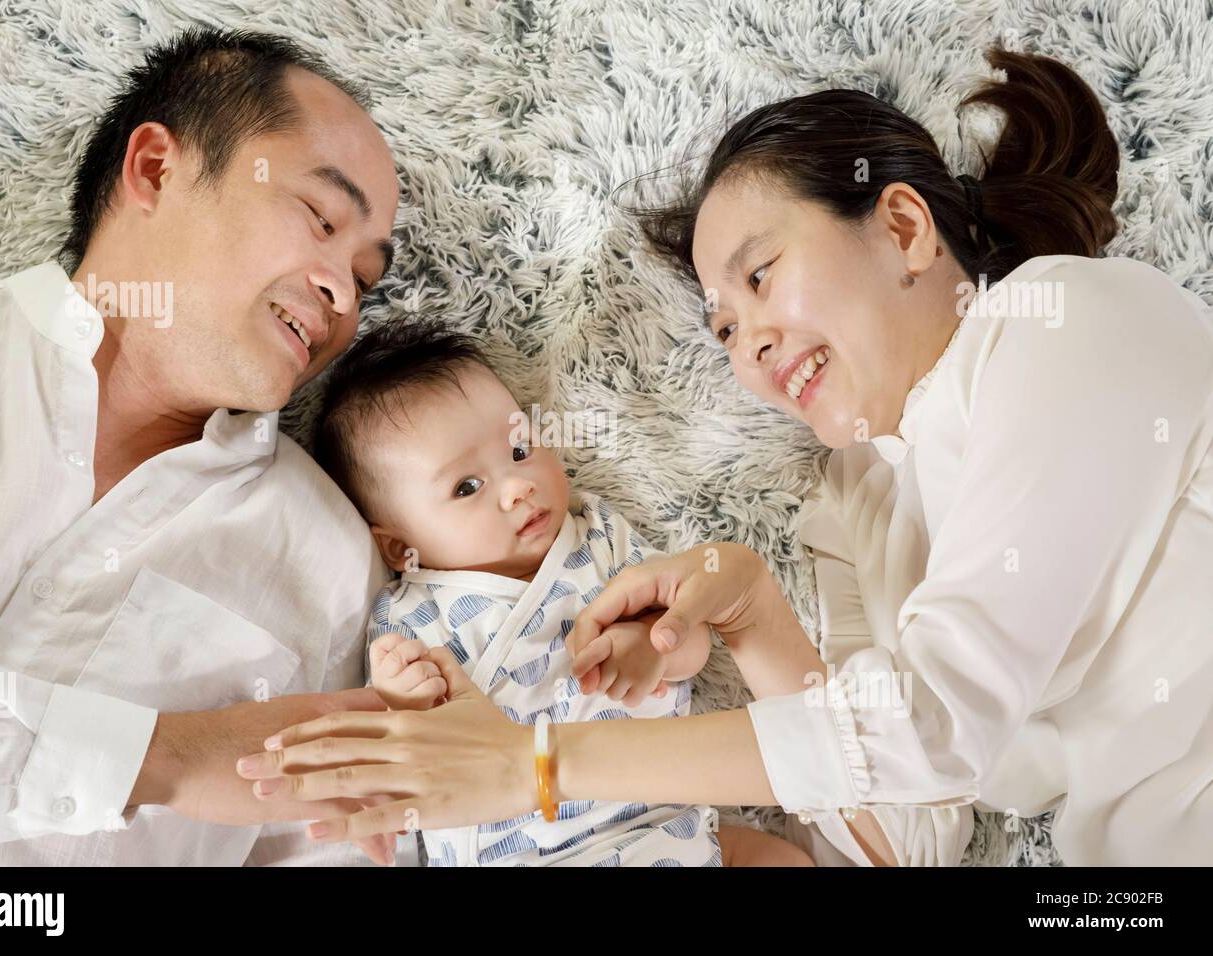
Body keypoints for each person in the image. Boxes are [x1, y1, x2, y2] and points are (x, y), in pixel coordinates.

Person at [235, 48, 1213, 866]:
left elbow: (928, 724)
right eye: (726, 328)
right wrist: (754, 612)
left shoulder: (1066, 323)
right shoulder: (857, 500)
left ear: (903, 227)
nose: (752, 350)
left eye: (761, 275)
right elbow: (907, 839)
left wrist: (535, 764)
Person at [0, 28, 403, 866]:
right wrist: (169, 757)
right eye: (320, 217)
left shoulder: (328, 562)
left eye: (364, 278)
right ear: (155, 170)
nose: (340, 295)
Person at [311, 318, 813, 865]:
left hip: (665, 827)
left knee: (779, 857)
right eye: (467, 487)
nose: (517, 485)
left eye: (520, 449)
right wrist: (404, 700)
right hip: (526, 855)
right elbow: (403, 763)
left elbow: (693, 644)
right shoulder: (411, 616)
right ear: (396, 546)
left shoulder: (599, 537)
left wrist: (655, 646)